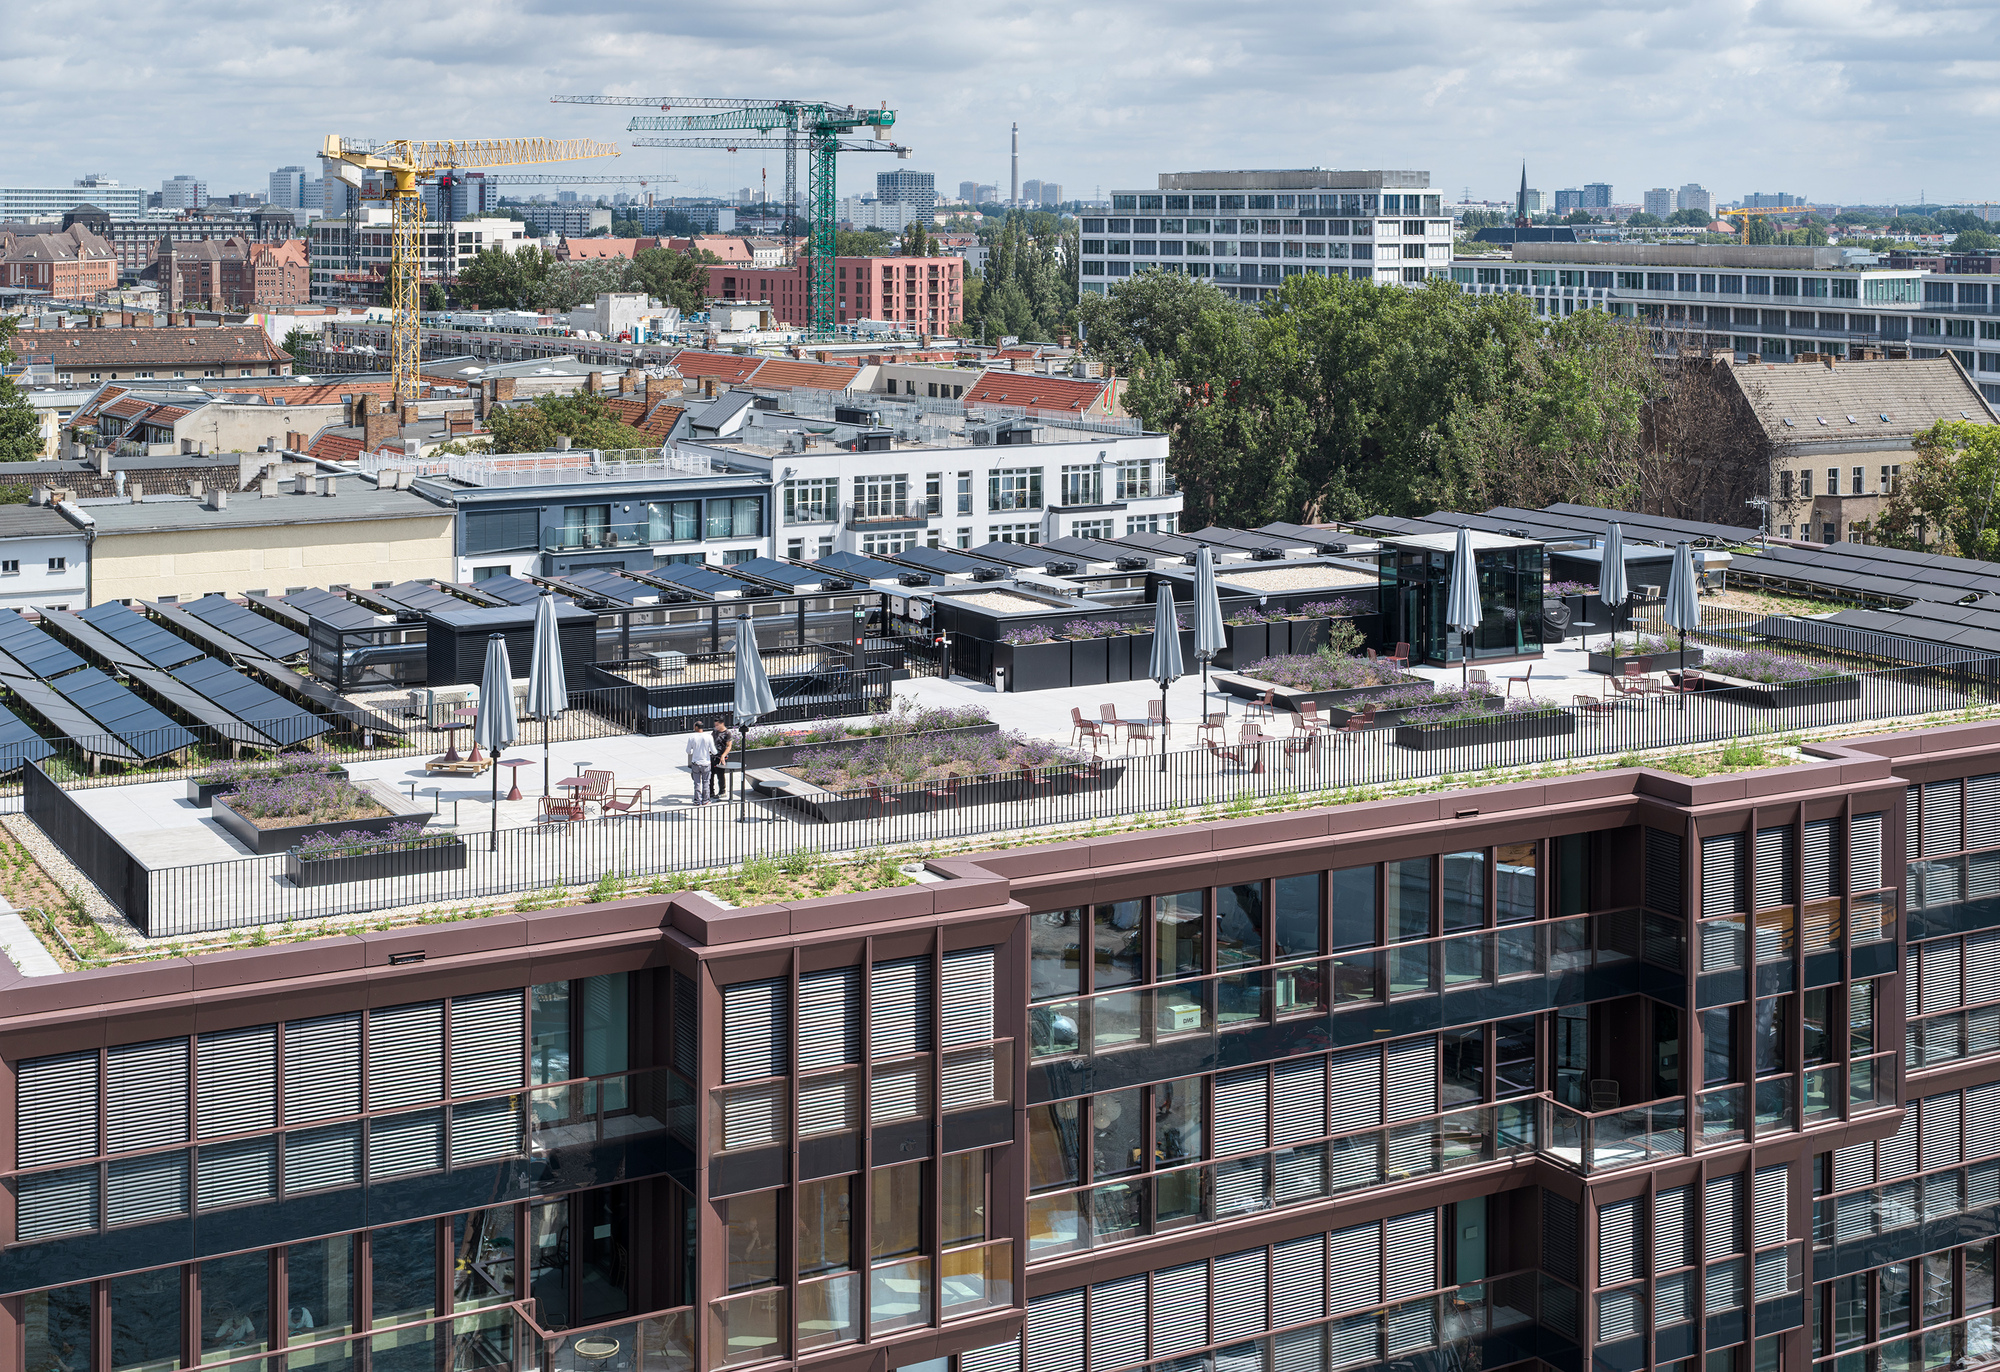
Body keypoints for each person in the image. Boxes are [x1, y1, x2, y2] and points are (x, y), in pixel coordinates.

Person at [685, 726, 716, 805]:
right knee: (706, 782)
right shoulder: (708, 736)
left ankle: (697, 800)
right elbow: (714, 751)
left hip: (696, 763)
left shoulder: (692, 737)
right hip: (706, 763)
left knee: (697, 783)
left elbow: (688, 751)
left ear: (696, 727)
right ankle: (705, 800)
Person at [709, 717, 739, 799]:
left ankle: (722, 791)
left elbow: (729, 746)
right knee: (710, 775)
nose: (716, 727)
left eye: (717, 725)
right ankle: (710, 791)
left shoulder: (727, 733)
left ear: (722, 724)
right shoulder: (714, 731)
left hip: (720, 757)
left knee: (720, 775)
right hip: (712, 756)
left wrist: (723, 756)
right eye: (715, 725)